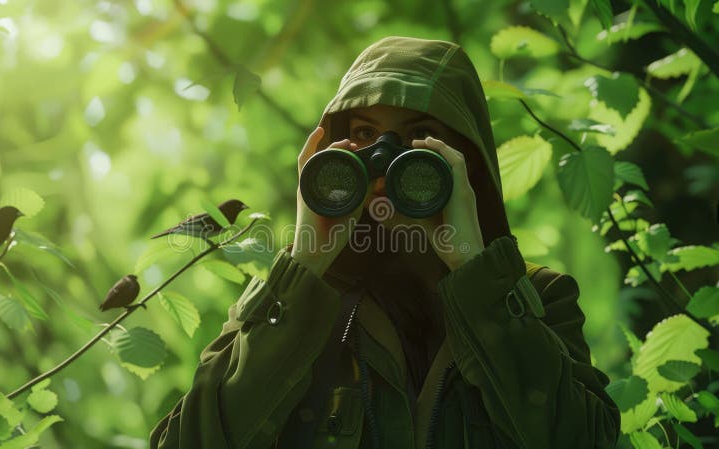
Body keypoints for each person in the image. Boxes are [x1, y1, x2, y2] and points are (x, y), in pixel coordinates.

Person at [149, 36, 621, 449]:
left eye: (420, 135)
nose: (385, 160)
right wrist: (304, 266)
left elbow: (584, 438)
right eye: (364, 135)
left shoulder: (537, 300)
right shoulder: (299, 305)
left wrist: (477, 273)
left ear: (467, 161)